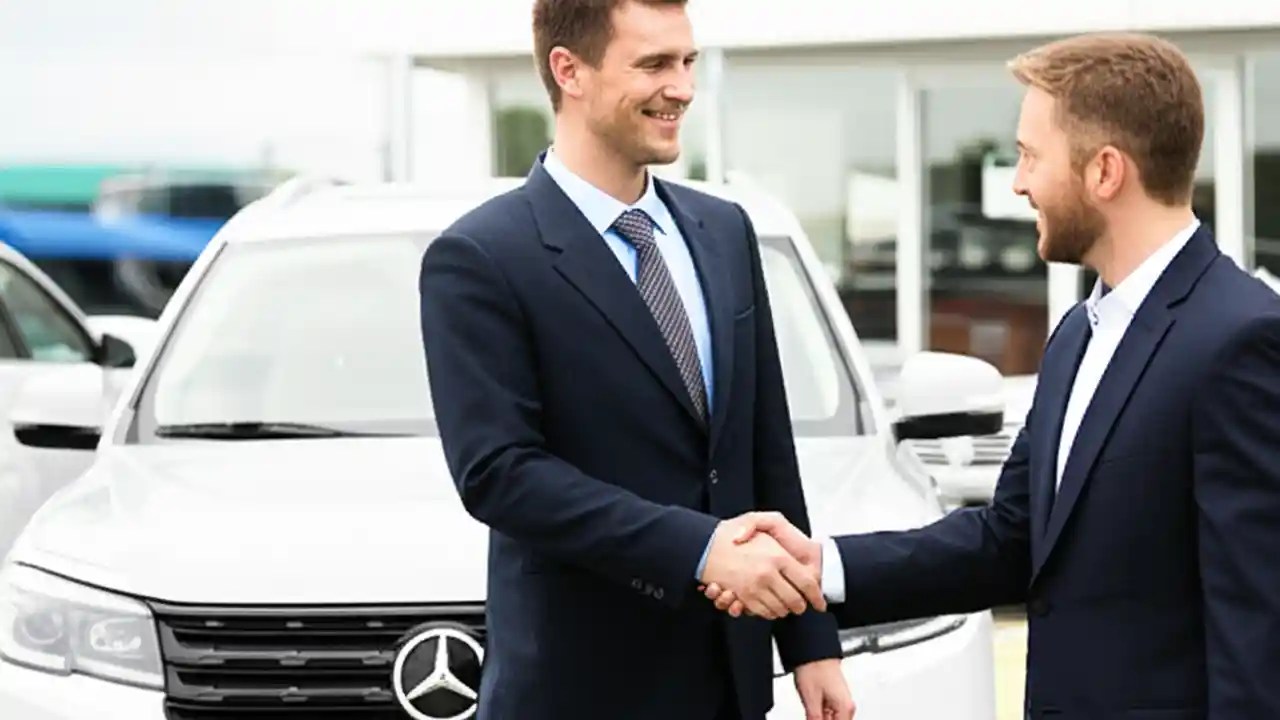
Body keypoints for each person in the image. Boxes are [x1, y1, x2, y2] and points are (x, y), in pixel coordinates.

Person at [707, 32, 1280, 719]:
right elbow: (1008, 543)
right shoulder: (1076, 336)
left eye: (1030, 155)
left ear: (1105, 172)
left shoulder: (1241, 339)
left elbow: (1259, 628)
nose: (1018, 182)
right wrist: (819, 566)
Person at [417, 1, 853, 718]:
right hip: (579, 689)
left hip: (731, 686)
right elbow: (499, 473)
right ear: (570, 71)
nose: (681, 87)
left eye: (687, 62)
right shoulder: (481, 257)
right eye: (653, 64)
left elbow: (762, 449)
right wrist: (699, 549)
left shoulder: (725, 231)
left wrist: (809, 640)